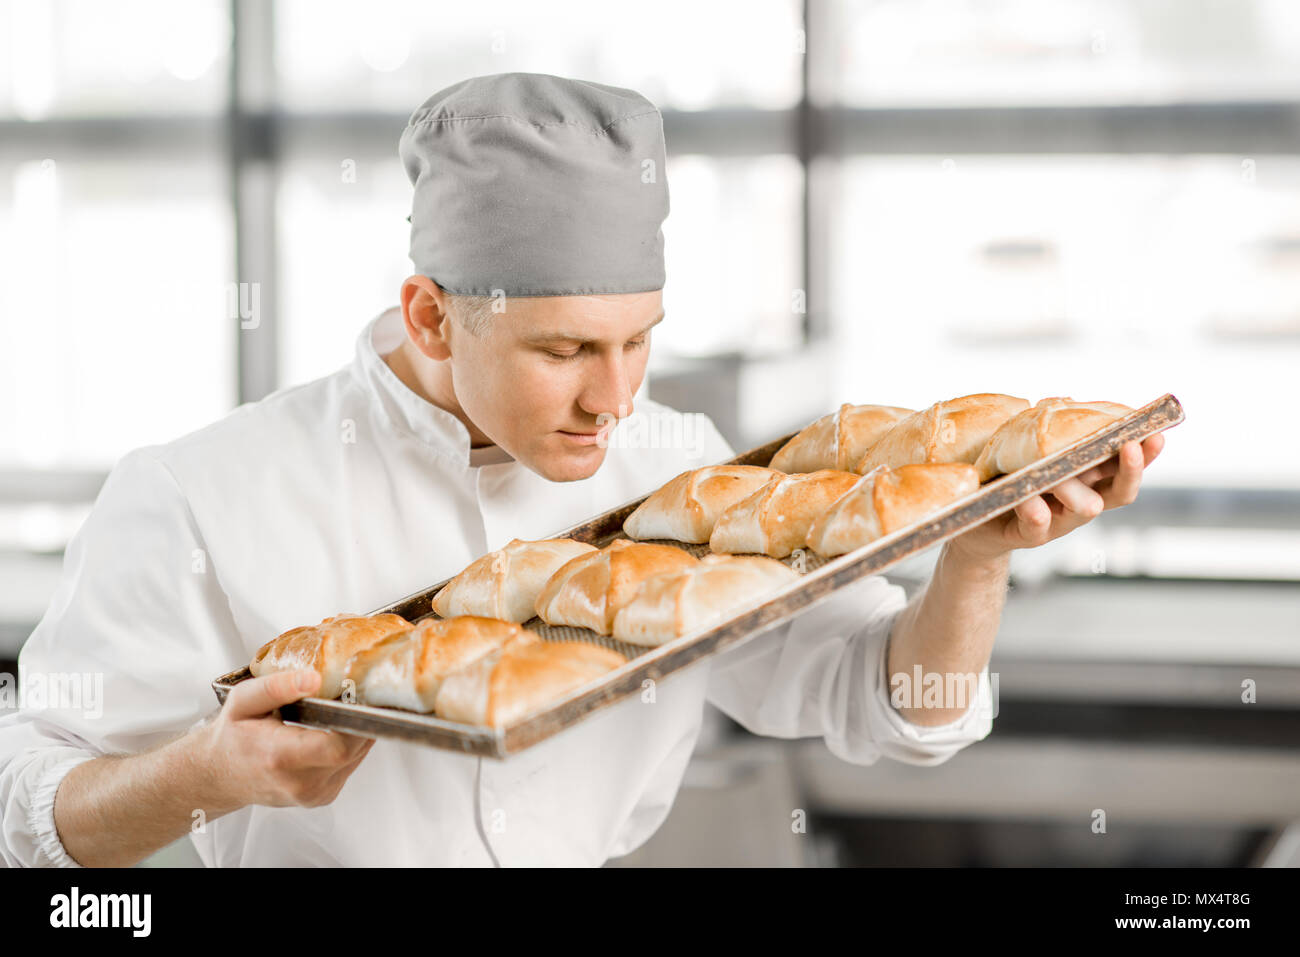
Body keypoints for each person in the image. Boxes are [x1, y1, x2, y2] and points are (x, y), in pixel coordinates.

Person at [0, 73, 1163, 868]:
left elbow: (894, 712)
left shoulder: (678, 470)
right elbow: (25, 811)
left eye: (639, 339)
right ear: (432, 314)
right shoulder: (202, 493)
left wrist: (972, 561)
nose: (616, 397)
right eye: (562, 351)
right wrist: (203, 774)